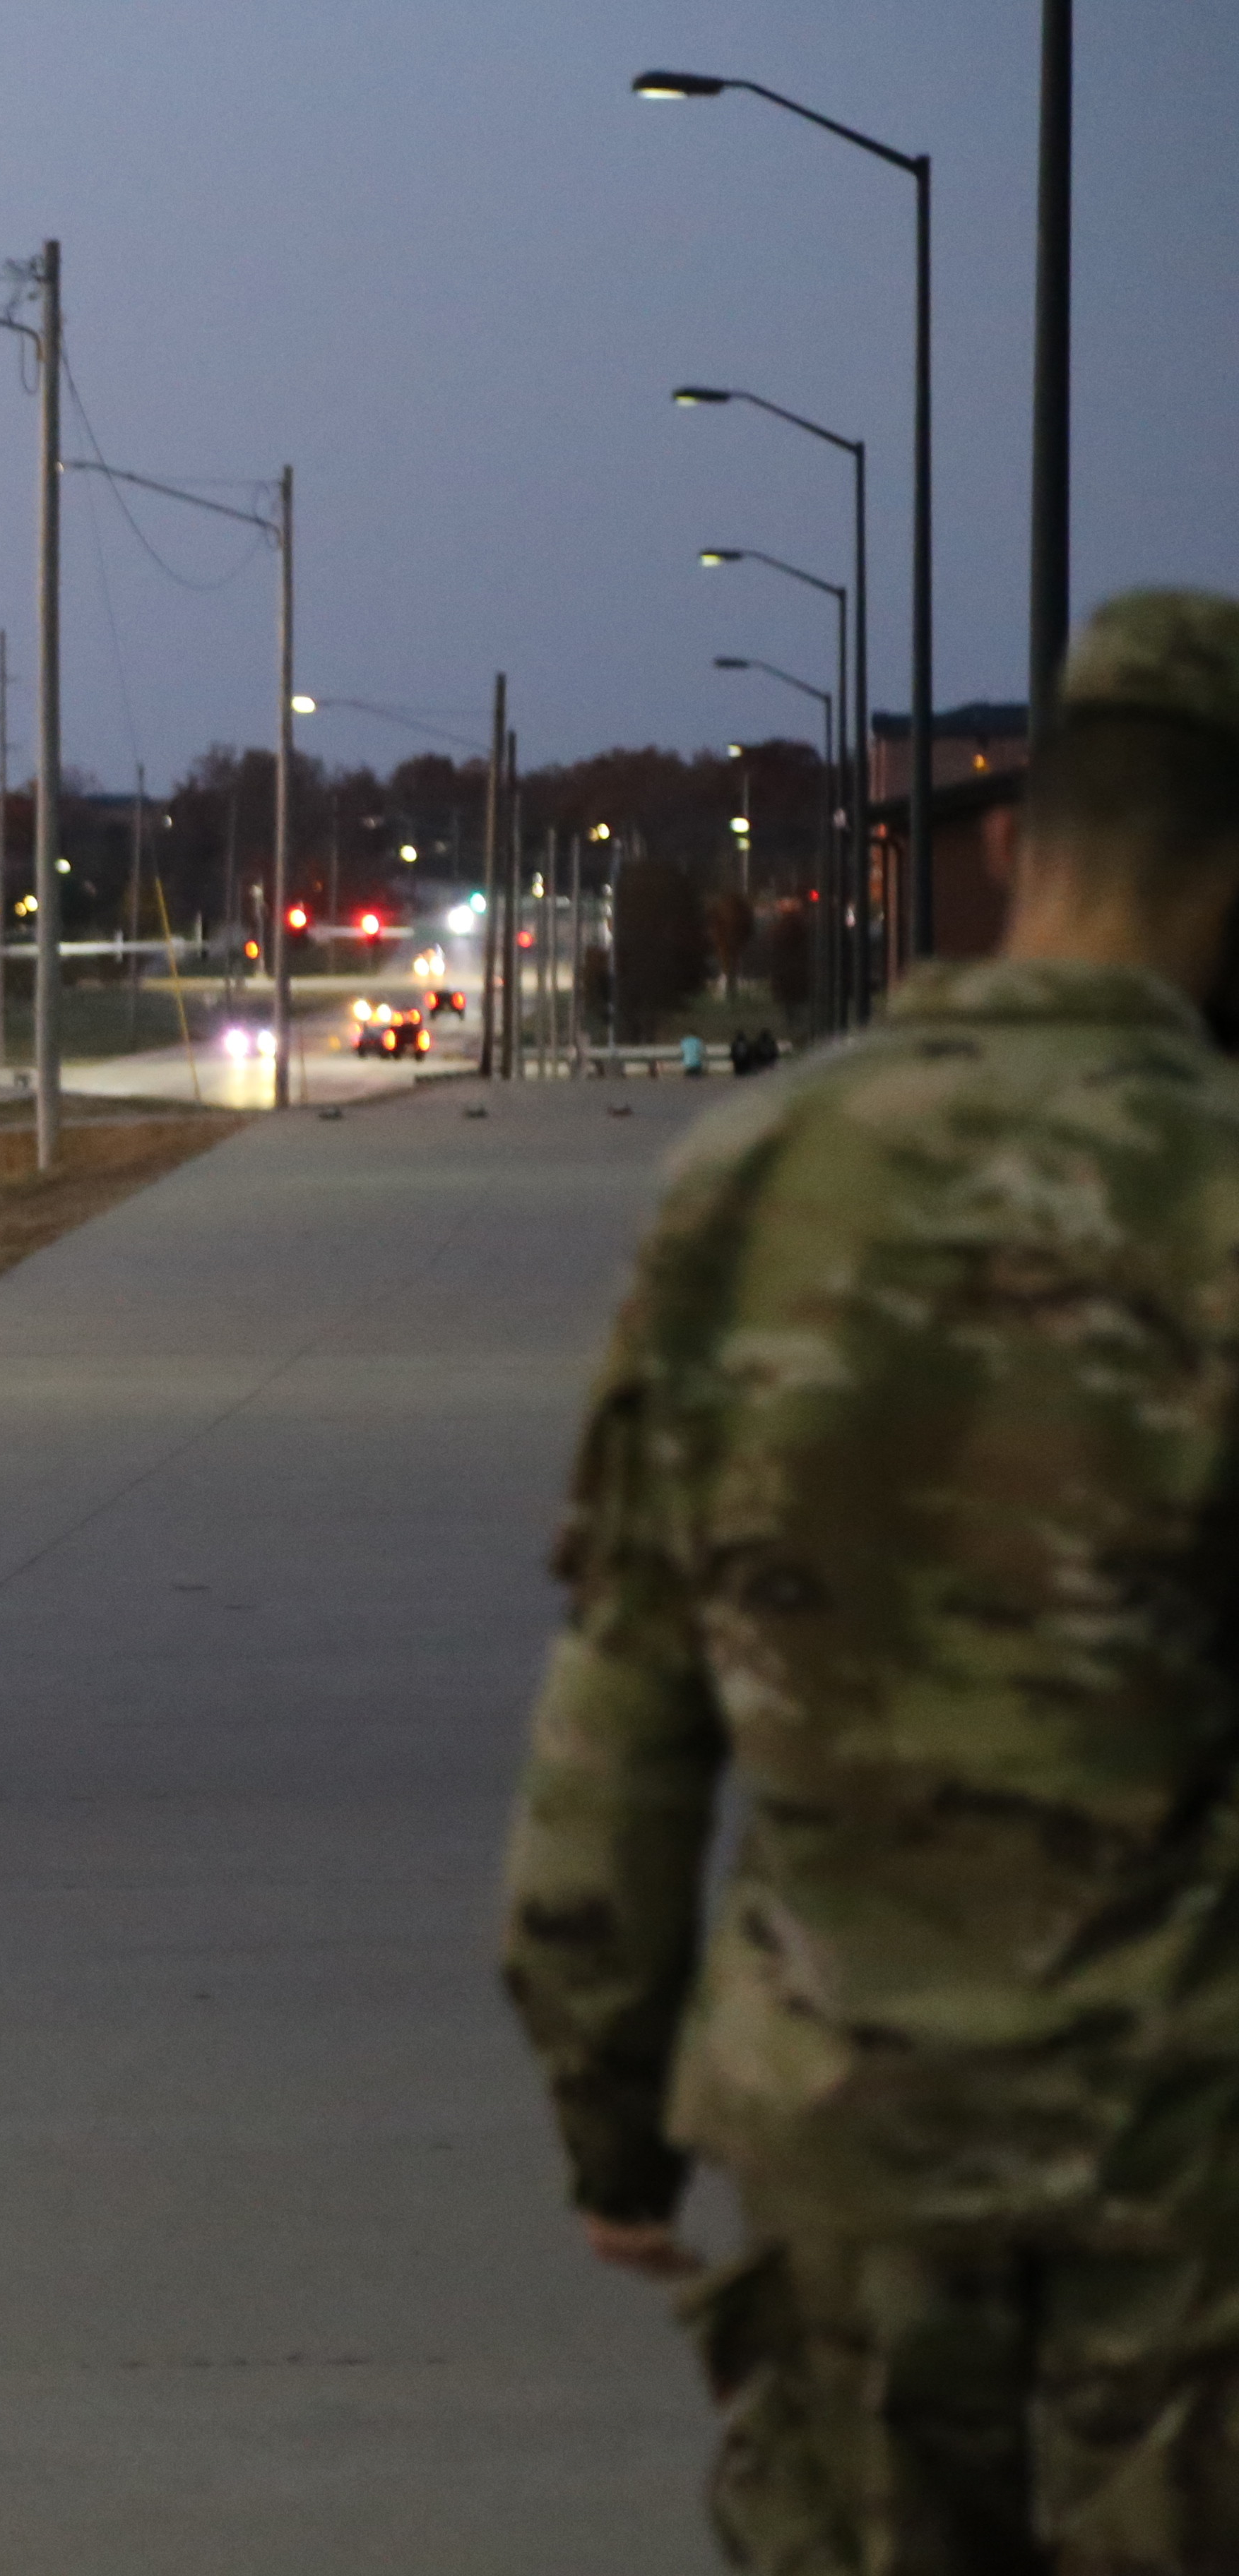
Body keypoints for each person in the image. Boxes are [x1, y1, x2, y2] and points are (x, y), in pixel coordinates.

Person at [500, 588, 1239, 2575]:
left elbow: (629, 1693)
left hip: (848, 2144)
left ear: (1012, 844)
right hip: (1183, 2172)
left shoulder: (758, 1180)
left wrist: (609, 2091)